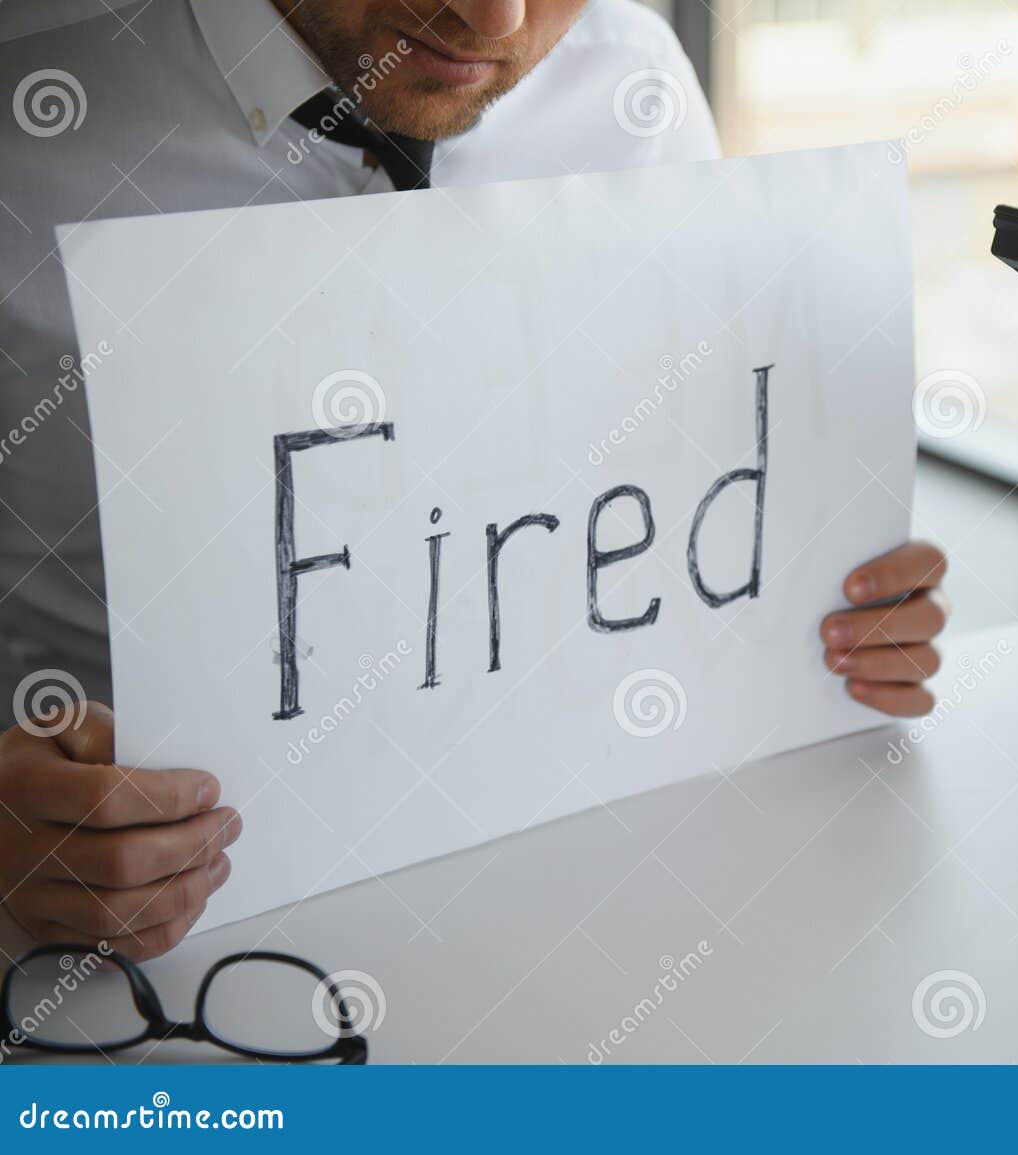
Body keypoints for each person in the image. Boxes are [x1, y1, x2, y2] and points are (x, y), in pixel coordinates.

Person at [0, 0, 949, 960]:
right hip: (148, 970)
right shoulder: (30, 124)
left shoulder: (633, 85)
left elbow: (670, 489)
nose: (494, 16)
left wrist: (816, 596)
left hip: (602, 911)